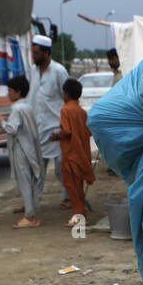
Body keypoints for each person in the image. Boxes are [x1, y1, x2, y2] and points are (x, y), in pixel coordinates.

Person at [26, 34, 69, 212]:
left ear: (46, 52)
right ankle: (32, 201)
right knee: (36, 168)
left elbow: (68, 98)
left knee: (61, 166)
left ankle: (68, 197)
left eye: (36, 53)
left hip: (56, 128)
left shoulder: (59, 71)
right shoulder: (32, 72)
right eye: (32, 52)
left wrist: (66, 127)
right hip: (37, 128)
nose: (33, 56)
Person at [0, 75, 41, 228]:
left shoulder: (16, 109)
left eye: (10, 91)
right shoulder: (27, 107)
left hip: (21, 149)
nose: (8, 94)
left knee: (24, 183)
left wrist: (1, 121)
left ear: (18, 92)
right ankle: (31, 211)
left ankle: (30, 217)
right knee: (30, 181)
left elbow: (12, 129)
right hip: (29, 148)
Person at [53, 78, 93, 226]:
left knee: (72, 187)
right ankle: (82, 215)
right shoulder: (82, 112)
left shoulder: (65, 110)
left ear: (66, 94)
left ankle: (78, 217)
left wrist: (56, 136)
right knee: (79, 187)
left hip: (71, 154)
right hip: (82, 154)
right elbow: (87, 132)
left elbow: (67, 131)